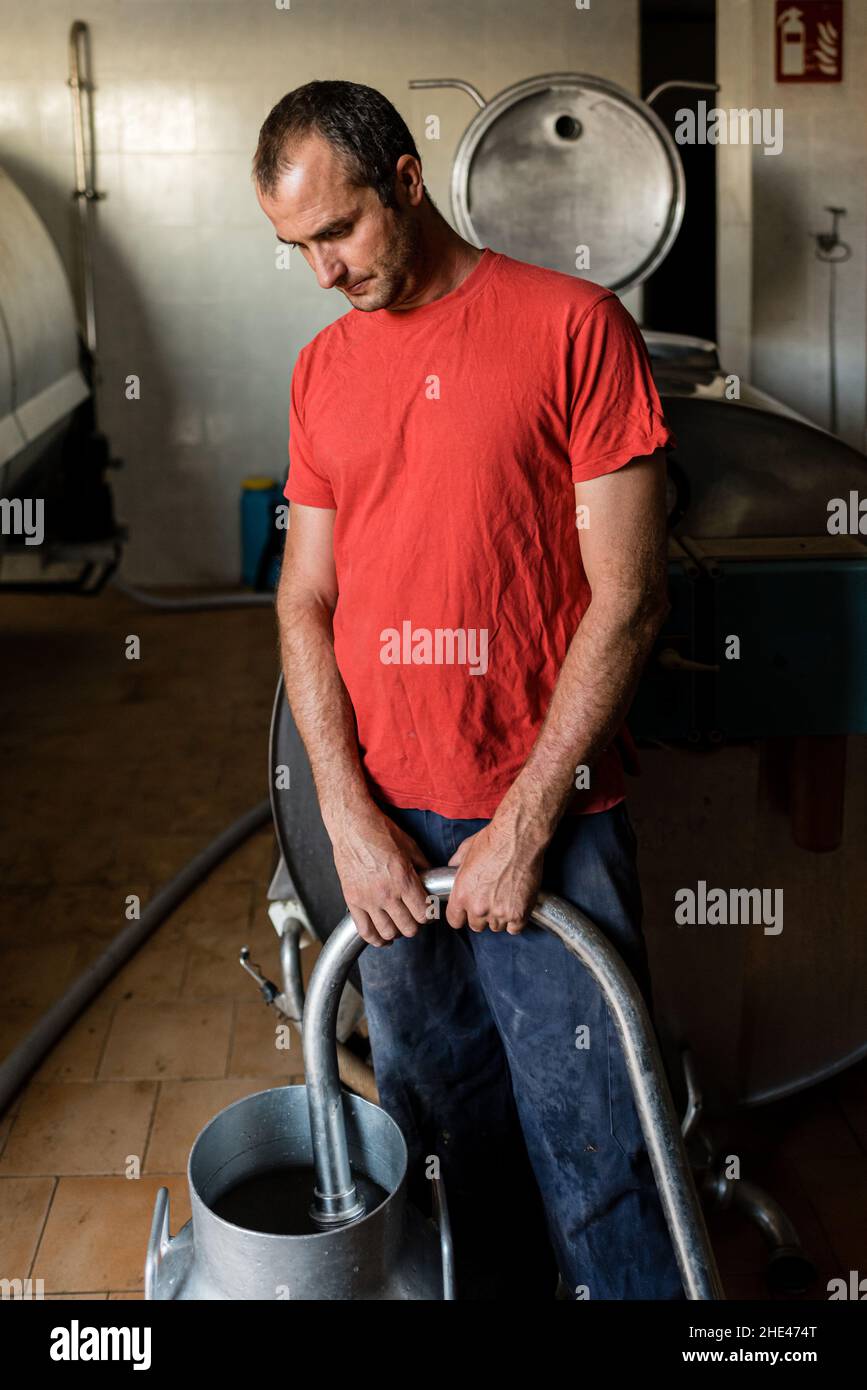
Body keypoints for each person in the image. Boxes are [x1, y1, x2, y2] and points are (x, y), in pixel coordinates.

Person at [253, 79, 684, 1300]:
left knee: (602, 1159)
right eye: (296, 249)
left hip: (554, 829)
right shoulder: (322, 372)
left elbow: (630, 595)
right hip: (389, 839)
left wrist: (530, 819)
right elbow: (305, 601)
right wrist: (347, 820)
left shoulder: (571, 325)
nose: (322, 272)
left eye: (337, 233)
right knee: (445, 1162)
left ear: (404, 178)